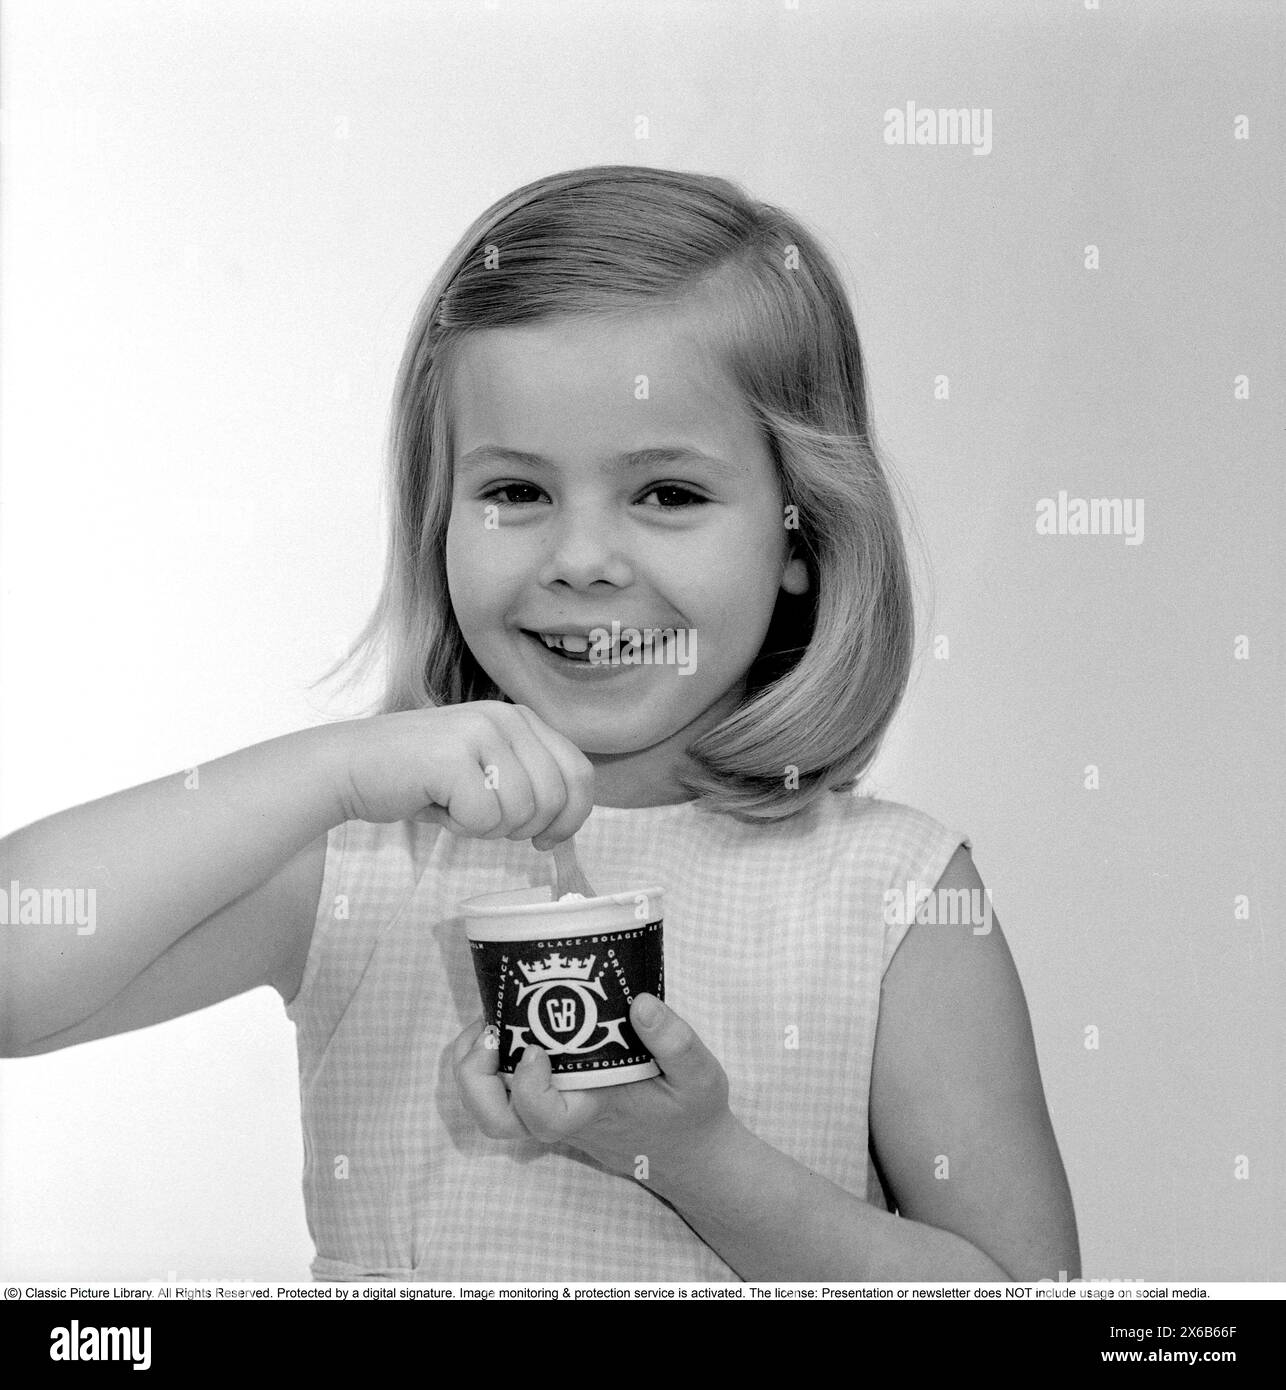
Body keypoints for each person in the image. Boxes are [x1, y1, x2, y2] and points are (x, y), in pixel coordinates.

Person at [0, 165, 1080, 1283]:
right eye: (515, 492)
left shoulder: (897, 896)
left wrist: (692, 1156)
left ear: (802, 536)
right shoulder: (372, 856)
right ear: (438, 522)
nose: (578, 561)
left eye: (666, 493)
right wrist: (333, 769)